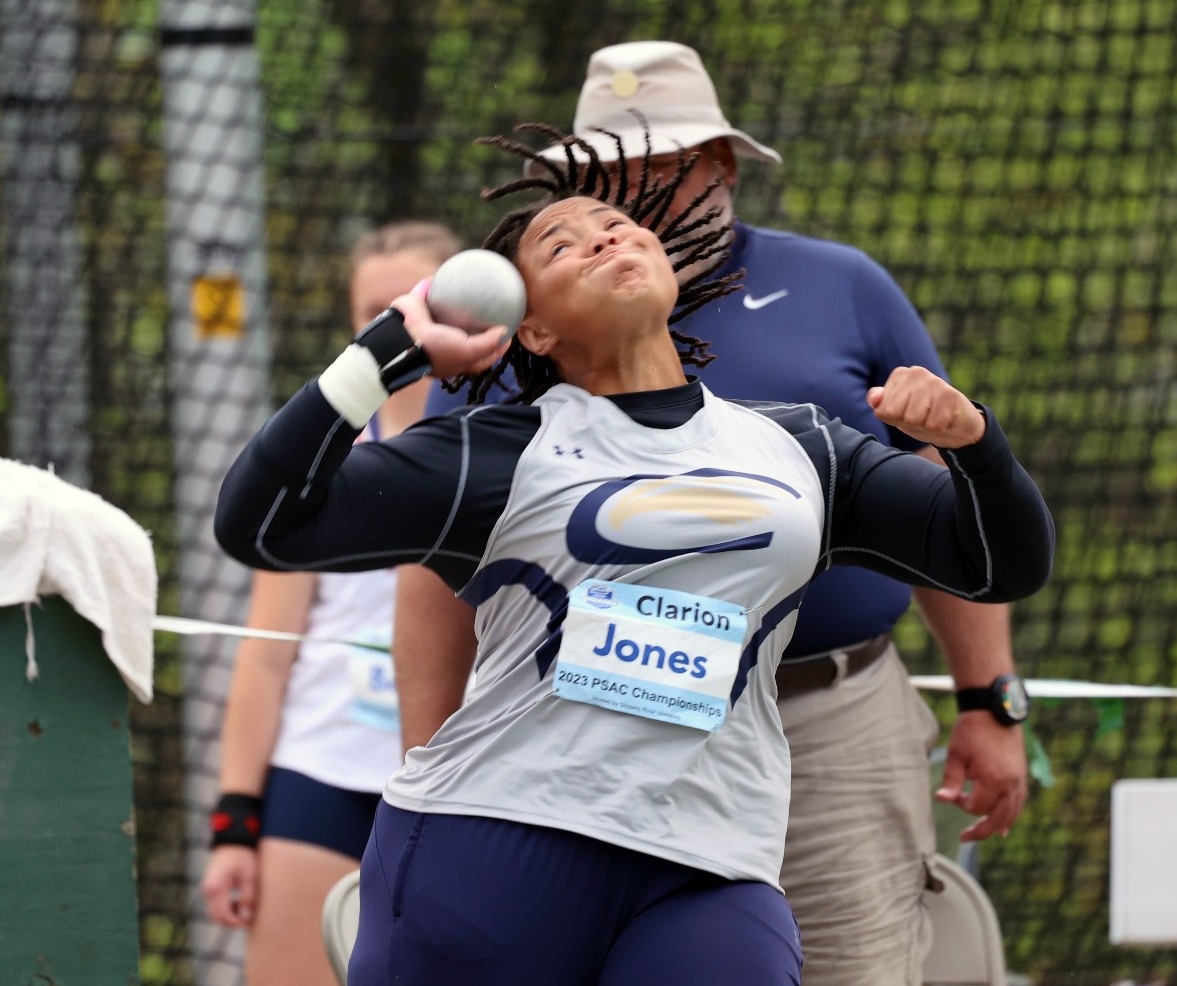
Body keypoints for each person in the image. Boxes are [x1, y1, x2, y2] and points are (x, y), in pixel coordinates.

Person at [213, 125, 1055, 986]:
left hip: (706, 861)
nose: (603, 237)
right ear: (532, 329)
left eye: (617, 225)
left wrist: (975, 448)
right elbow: (263, 524)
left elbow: (999, 564)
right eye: (560, 244)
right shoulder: (492, 452)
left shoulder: (802, 450)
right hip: (494, 840)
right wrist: (381, 353)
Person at [198, 222, 460, 986]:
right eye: (374, 312)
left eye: (411, 301)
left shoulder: (508, 443)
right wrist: (235, 821)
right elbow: (266, 654)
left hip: (458, 787)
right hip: (321, 776)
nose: (396, 324)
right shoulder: (319, 459)